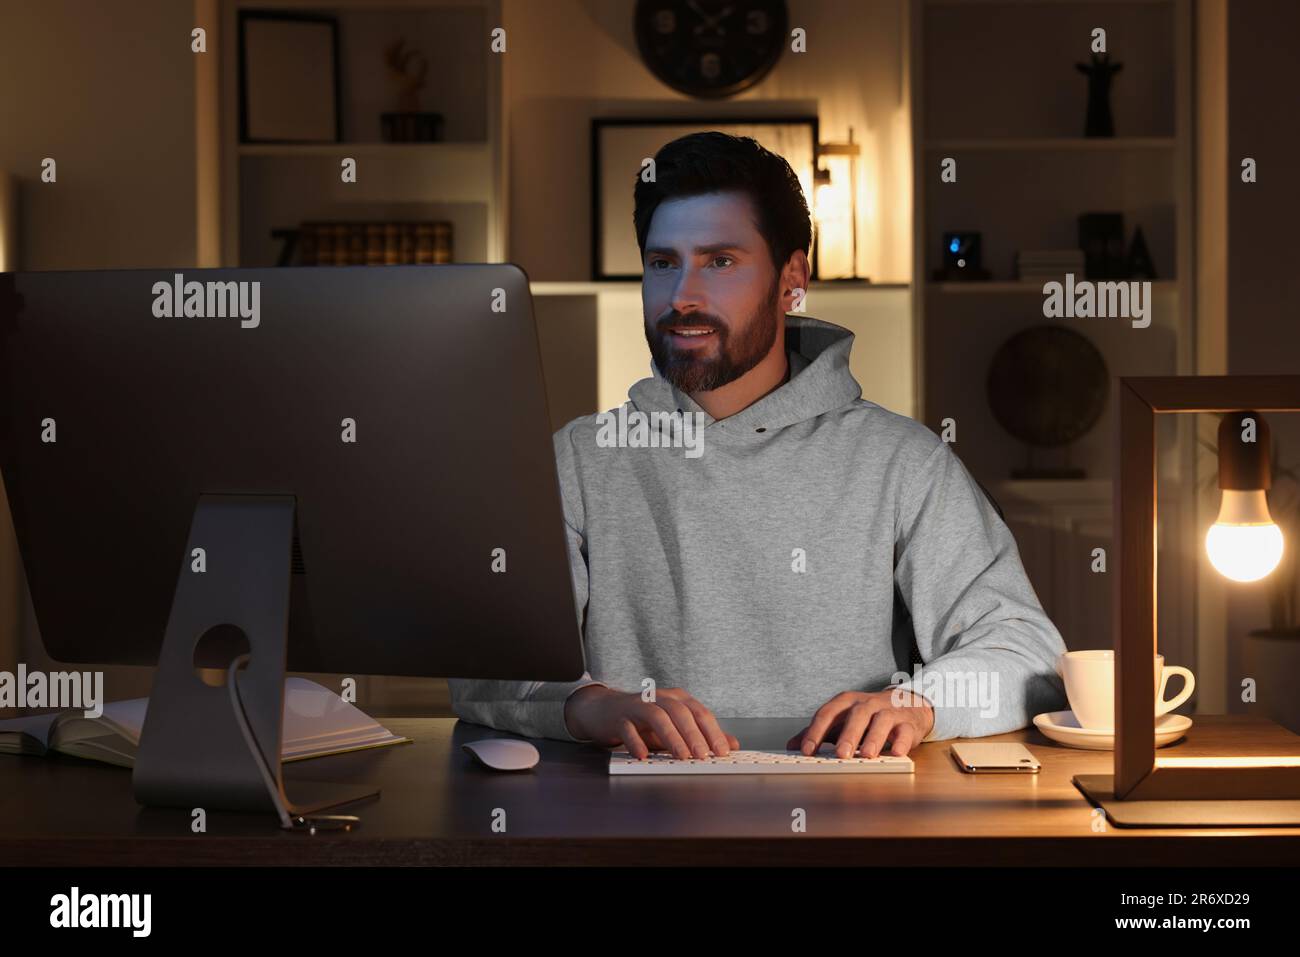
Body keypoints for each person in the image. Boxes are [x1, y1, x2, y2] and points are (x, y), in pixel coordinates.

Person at [449, 131, 1067, 760]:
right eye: (664, 263)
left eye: (720, 261)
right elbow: (481, 667)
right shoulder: (580, 459)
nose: (683, 295)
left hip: (852, 826)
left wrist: (922, 704)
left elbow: (1026, 652)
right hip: (629, 831)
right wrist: (586, 705)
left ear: (792, 278)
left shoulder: (903, 461)